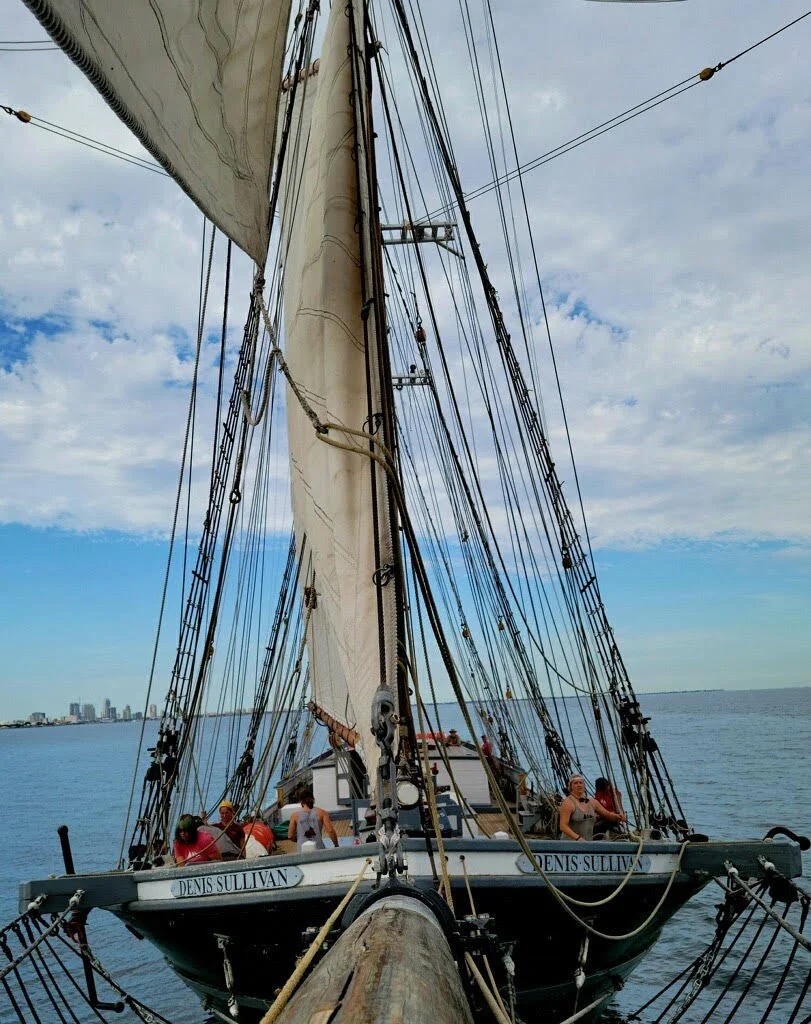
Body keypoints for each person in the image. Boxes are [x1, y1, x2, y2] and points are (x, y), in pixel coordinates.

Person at [559, 775, 626, 842]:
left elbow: (607, 814)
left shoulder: (592, 802)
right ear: (571, 787)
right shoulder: (568, 803)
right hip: (570, 843)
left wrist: (618, 816)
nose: (579, 785)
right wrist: (578, 838)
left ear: (584, 786)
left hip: (587, 843)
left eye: (581, 783)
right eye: (575, 783)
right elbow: (563, 826)